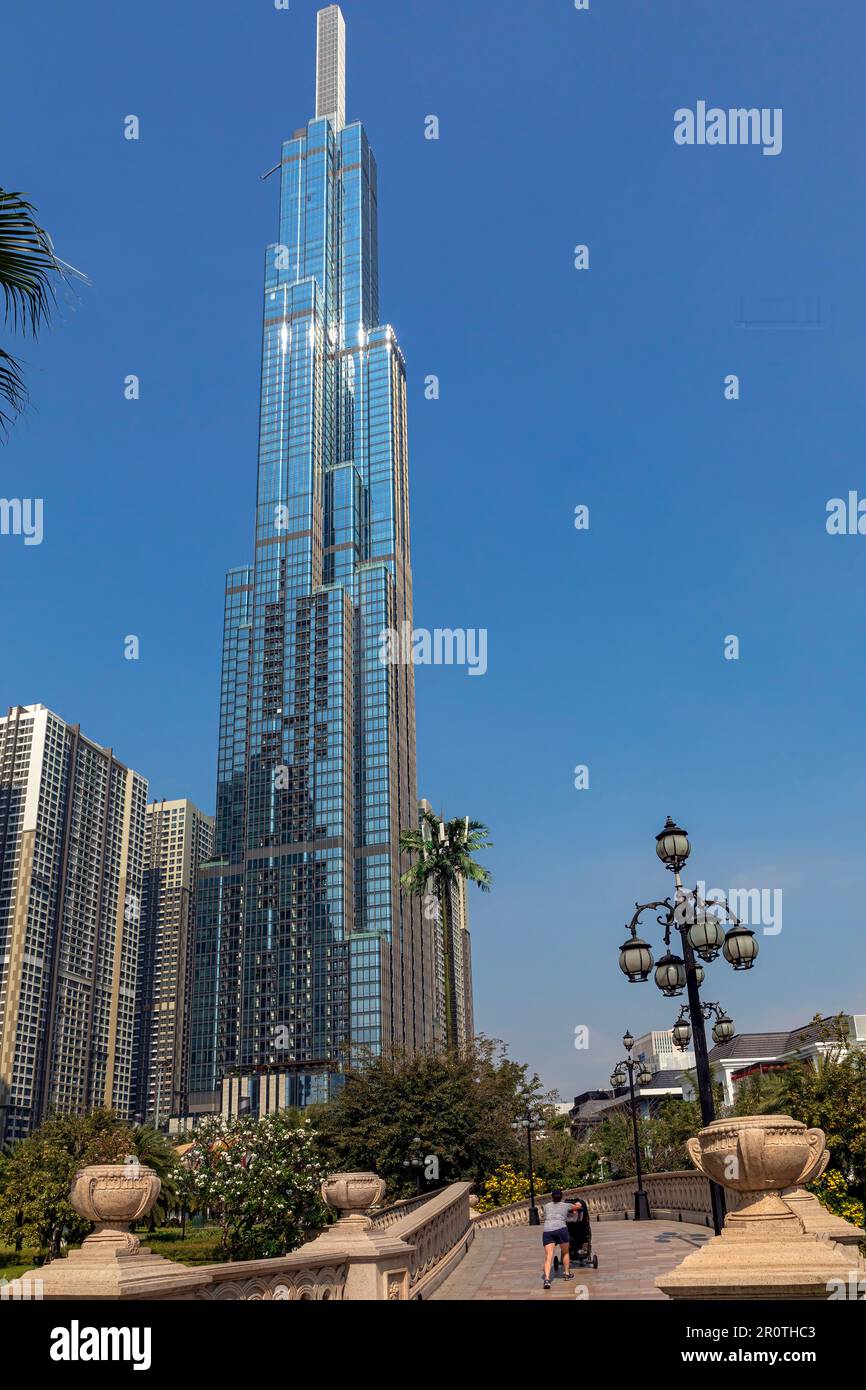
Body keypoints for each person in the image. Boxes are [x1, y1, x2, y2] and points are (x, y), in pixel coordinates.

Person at [541, 1188, 575, 1289]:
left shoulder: (546, 1206)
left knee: (548, 1256)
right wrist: (577, 1204)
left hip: (548, 1230)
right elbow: (577, 1207)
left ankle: (547, 1279)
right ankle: (566, 1273)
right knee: (565, 1252)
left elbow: (546, 1215)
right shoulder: (566, 1205)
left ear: (552, 1197)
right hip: (561, 1229)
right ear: (561, 1196)